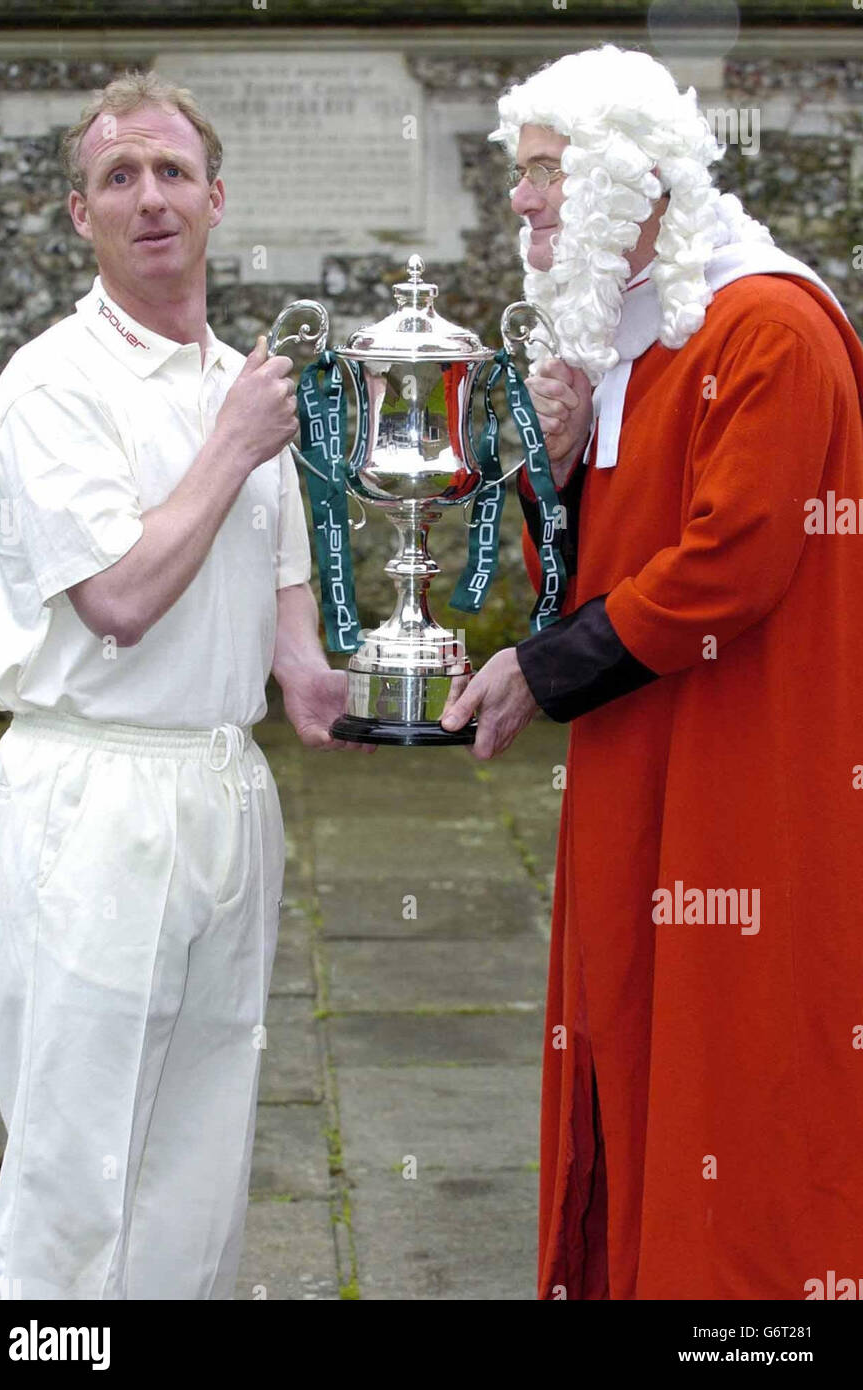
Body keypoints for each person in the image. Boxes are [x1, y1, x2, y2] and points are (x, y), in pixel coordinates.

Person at [441, 45, 863, 1299]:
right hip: (641, 767)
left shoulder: (770, 324)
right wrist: (559, 469)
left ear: (630, 177)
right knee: (631, 1051)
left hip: (747, 773)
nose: (522, 203)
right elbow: (589, 572)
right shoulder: (638, 337)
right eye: (522, 178)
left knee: (740, 1064)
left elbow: (730, 566)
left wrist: (533, 672)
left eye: (545, 176)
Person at [0, 70, 367, 1302]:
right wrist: (234, 442)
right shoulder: (51, 384)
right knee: (77, 1152)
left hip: (220, 782)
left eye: (172, 173)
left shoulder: (237, 385)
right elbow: (122, 601)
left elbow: (284, 588)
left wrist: (335, 679)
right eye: (117, 177)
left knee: (202, 1147)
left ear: (214, 200)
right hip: (97, 790)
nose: (150, 198)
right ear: (79, 215)